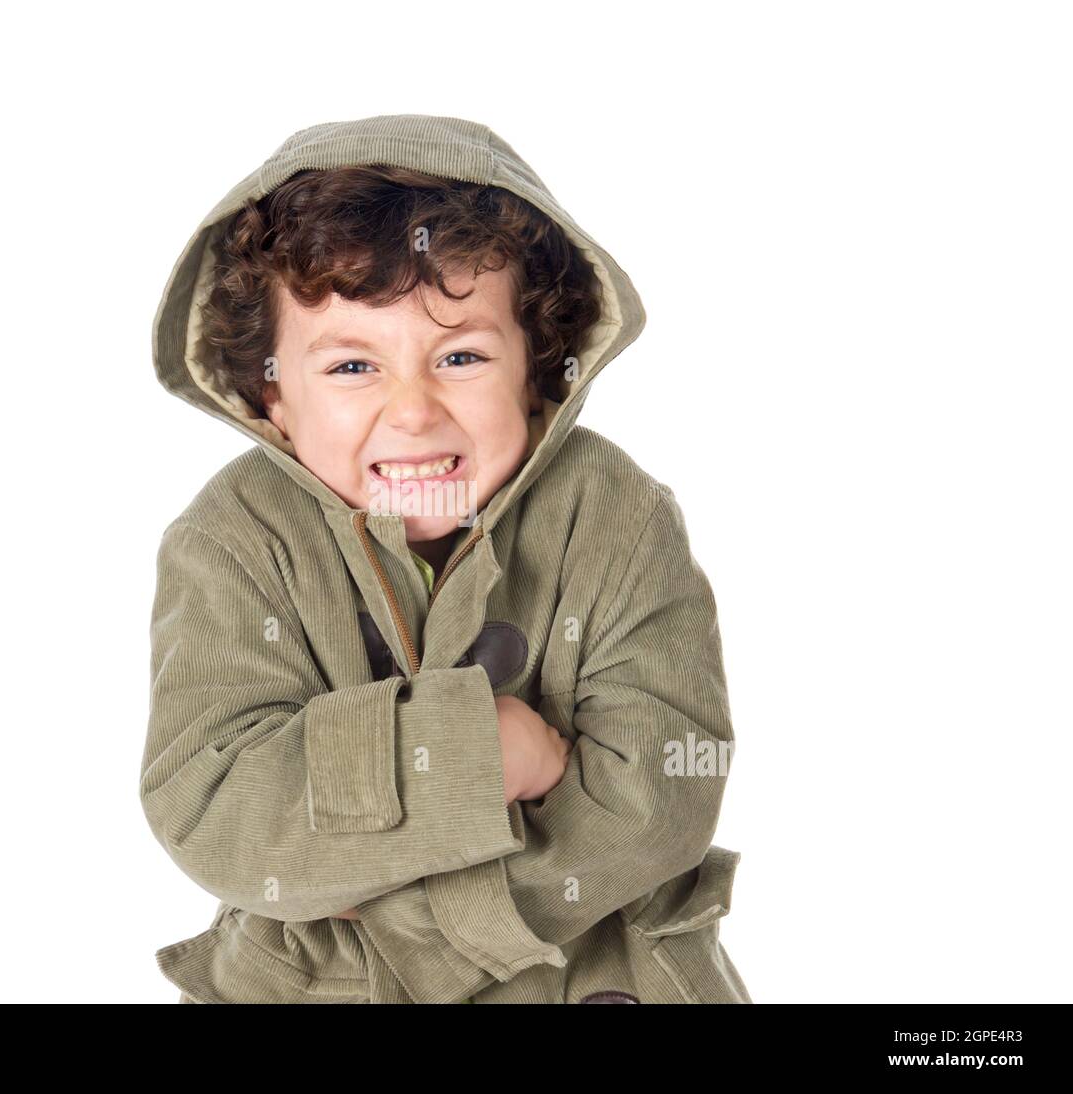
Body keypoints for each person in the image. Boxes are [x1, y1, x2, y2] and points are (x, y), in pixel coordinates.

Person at [139, 113, 751, 1004]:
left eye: (460, 355)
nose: (414, 412)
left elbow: (661, 794)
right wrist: (481, 754)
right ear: (271, 392)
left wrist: (381, 889)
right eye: (352, 368)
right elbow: (217, 807)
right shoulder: (232, 539)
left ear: (538, 365)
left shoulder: (618, 513)